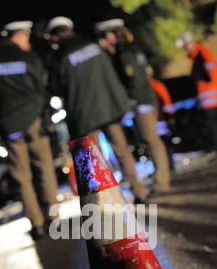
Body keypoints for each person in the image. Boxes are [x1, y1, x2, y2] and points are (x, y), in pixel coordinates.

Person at [0, 21, 58, 240]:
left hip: (9, 126)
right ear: (18, 35)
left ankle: (36, 224)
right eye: (26, 37)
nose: (28, 41)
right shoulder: (29, 58)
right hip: (34, 122)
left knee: (21, 176)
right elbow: (43, 89)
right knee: (45, 169)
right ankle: (53, 219)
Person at [45, 16, 147, 204]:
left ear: (54, 37)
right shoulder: (94, 44)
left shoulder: (58, 56)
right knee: (122, 150)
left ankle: (109, 204)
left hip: (85, 115)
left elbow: (55, 88)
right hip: (110, 108)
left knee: (95, 162)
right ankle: (139, 190)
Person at [93, 19, 172, 199]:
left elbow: (132, 79)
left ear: (114, 34)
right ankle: (161, 179)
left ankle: (162, 182)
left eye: (106, 36)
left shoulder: (123, 52)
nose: (105, 40)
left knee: (151, 140)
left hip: (140, 102)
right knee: (151, 140)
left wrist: (130, 102)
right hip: (146, 100)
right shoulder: (132, 48)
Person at [176, 31, 217, 161]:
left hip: (211, 96)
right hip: (208, 97)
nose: (186, 48)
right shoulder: (197, 55)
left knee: (213, 123)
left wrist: (205, 73)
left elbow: (209, 70)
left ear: (192, 41)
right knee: (214, 123)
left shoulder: (202, 53)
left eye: (186, 45)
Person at [146, 65, 176, 171]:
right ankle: (170, 165)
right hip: (160, 119)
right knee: (164, 143)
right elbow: (167, 101)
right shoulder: (156, 84)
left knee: (159, 144)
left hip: (157, 120)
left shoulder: (151, 86)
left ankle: (167, 166)